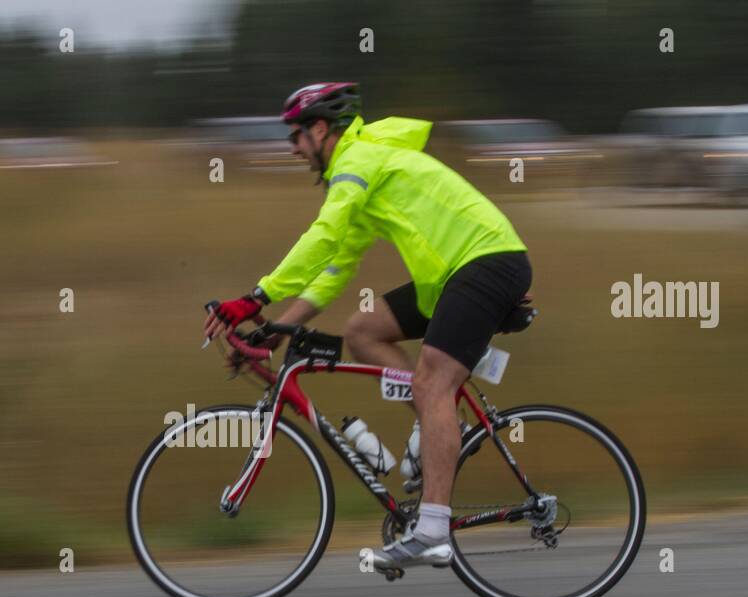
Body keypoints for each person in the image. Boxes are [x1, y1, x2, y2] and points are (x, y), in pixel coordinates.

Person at [203, 82, 532, 570]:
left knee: (432, 383)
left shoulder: (358, 161)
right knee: (362, 332)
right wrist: (279, 326)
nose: (292, 148)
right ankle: (442, 424)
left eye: (296, 136)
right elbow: (336, 263)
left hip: (484, 263)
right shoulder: (360, 168)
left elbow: (323, 234)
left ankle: (433, 531)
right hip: (450, 278)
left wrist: (256, 296)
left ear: (320, 129)